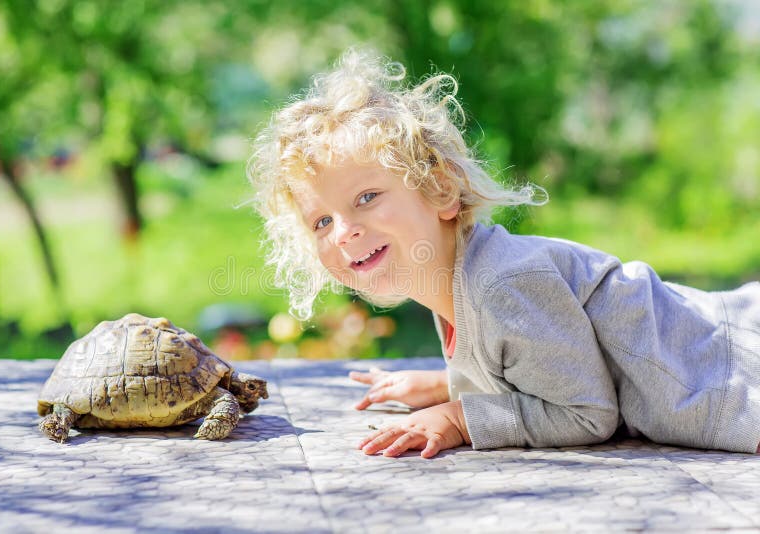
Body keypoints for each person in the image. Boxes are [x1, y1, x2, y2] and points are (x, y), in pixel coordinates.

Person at [247, 49, 760, 459]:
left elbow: (586, 412)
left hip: (728, 370)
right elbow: (525, 360)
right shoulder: (453, 282)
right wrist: (449, 384)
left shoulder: (501, 285)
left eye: (366, 198)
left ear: (441, 190)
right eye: (322, 221)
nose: (344, 231)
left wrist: (458, 417)